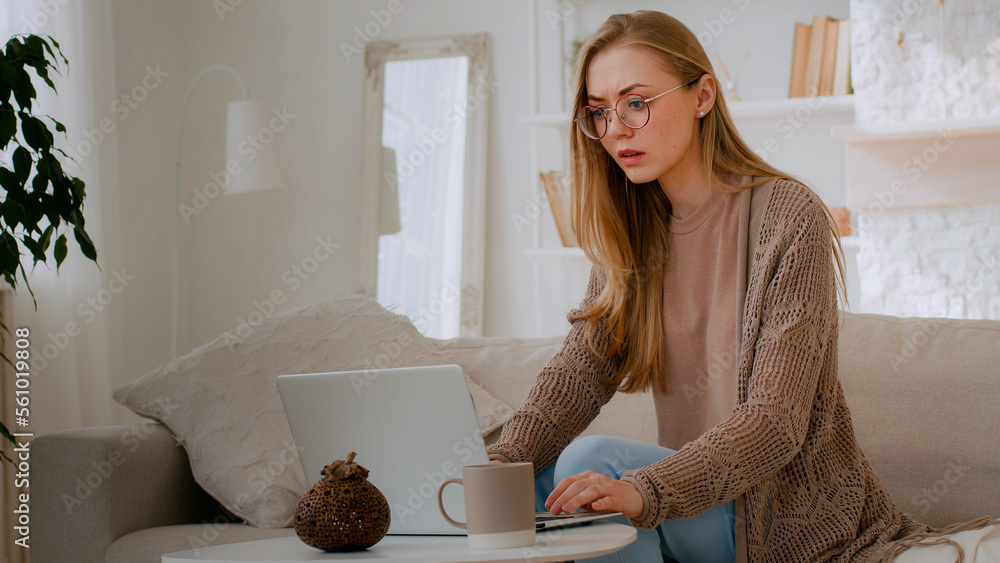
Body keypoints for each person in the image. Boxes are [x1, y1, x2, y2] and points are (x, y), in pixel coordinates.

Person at [486, 11, 931, 562]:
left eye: (636, 102)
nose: (616, 128)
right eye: (598, 112)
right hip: (689, 507)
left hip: (775, 520)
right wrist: (499, 468)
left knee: (589, 464)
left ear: (702, 97)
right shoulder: (634, 231)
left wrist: (643, 490)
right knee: (531, 487)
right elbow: (581, 370)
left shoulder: (787, 216)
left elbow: (776, 421)